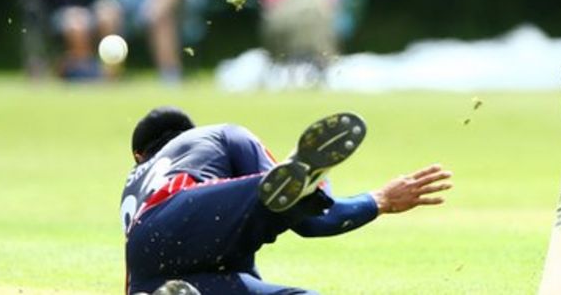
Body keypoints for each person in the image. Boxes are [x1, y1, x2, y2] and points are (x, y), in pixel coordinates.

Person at [120, 106, 452, 294]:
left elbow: (141, 260)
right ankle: (309, 178)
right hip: (181, 210)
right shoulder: (219, 132)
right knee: (277, 190)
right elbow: (316, 223)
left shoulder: (134, 184)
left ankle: (306, 180)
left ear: (140, 155)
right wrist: (379, 199)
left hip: (147, 272)